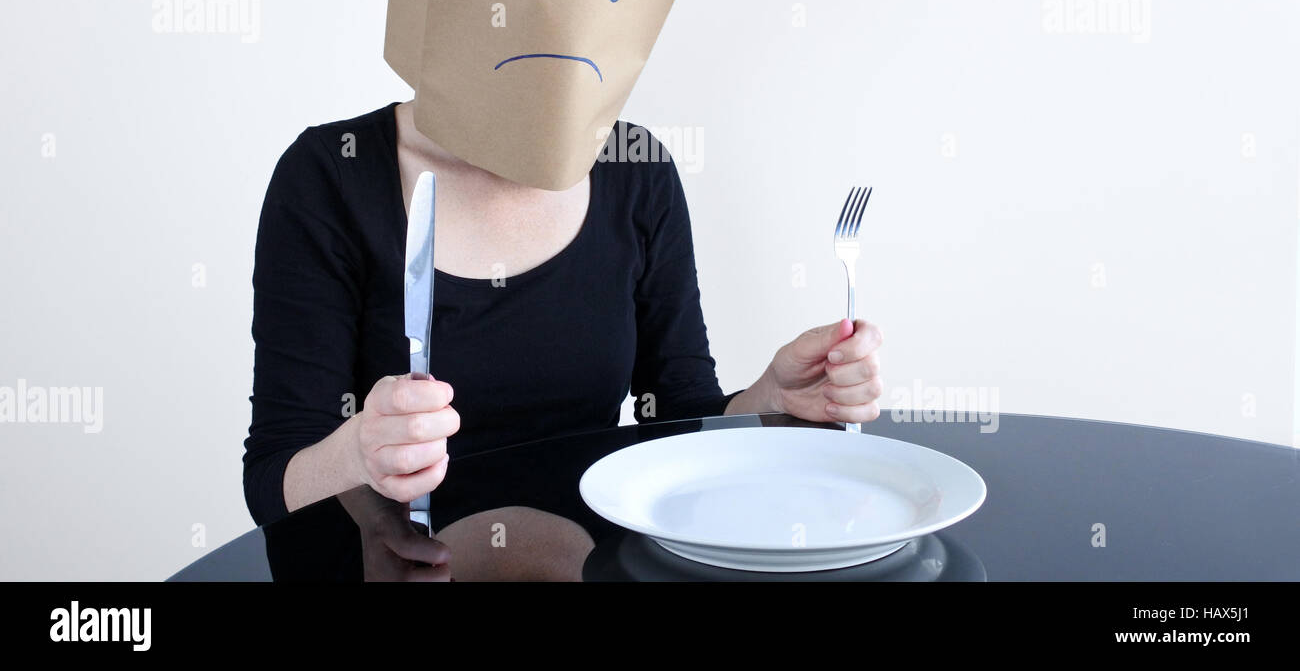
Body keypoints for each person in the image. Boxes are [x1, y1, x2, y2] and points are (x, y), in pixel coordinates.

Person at [242, 101, 885, 528]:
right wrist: (360, 453)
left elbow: (678, 415)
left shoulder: (635, 168)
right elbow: (272, 482)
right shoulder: (331, 174)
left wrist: (770, 400)